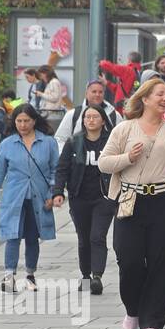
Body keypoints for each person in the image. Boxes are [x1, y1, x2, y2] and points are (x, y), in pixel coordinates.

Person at [100, 80, 165, 329]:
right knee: (128, 259)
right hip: (130, 200)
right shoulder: (125, 129)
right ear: (145, 99)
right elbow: (104, 163)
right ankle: (133, 308)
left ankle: (153, 321)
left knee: (160, 261)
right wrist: (128, 158)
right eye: (160, 94)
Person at [0, 104, 59, 292]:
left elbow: (55, 171)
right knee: (12, 236)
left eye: (26, 120)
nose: (23, 125)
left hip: (39, 199)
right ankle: (9, 275)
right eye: (19, 121)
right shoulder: (7, 144)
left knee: (32, 238)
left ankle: (30, 275)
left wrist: (52, 194)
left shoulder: (48, 143)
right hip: (13, 199)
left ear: (34, 121)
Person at [51, 105, 116, 293]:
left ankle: (97, 276)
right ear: (83, 121)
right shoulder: (74, 142)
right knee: (84, 238)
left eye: (95, 117)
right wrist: (58, 192)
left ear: (103, 120)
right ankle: (86, 275)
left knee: (97, 236)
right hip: (79, 197)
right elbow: (62, 169)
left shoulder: (111, 141)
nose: (91, 120)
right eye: (87, 117)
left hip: (104, 197)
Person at [53, 79, 120, 146]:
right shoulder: (72, 114)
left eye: (100, 92)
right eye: (94, 91)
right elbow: (60, 139)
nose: (97, 95)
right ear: (86, 94)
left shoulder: (114, 115)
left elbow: (121, 139)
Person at [35, 65, 69, 131]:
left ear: (46, 73)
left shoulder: (54, 82)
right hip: (50, 113)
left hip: (52, 114)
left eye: (41, 75)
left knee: (51, 132)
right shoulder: (52, 82)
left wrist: (41, 94)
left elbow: (54, 98)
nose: (41, 77)